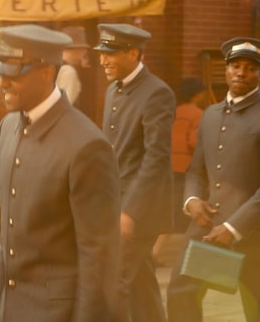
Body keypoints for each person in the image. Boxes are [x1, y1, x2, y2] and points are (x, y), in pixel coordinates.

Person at [0, 24, 122, 321]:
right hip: (13, 306)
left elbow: (98, 254)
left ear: (47, 72)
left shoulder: (87, 145)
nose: (1, 83)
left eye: (12, 73)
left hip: (58, 312)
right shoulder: (7, 127)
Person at [166, 37, 260, 322]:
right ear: (225, 70)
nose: (241, 72)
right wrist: (191, 200)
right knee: (181, 292)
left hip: (254, 236)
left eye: (250, 68)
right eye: (235, 66)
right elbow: (196, 170)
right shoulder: (210, 115)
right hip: (207, 230)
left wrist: (233, 227)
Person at [95, 22, 175, 322]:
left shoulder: (157, 93)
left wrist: (131, 212)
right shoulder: (113, 91)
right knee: (142, 288)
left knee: (110, 282)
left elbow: (156, 158)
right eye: (101, 52)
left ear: (133, 53)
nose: (103, 60)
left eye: (110, 53)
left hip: (141, 211)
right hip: (115, 206)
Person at [153, 78, 207, 265]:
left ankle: (154, 253)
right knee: (193, 214)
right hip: (186, 170)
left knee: (168, 213)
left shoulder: (172, 113)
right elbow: (194, 142)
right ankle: (195, 260)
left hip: (167, 168)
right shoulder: (198, 115)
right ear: (198, 94)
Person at [56, 25, 90, 105]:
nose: (84, 53)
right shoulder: (68, 72)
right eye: (82, 49)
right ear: (75, 49)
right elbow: (66, 105)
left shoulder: (54, 65)